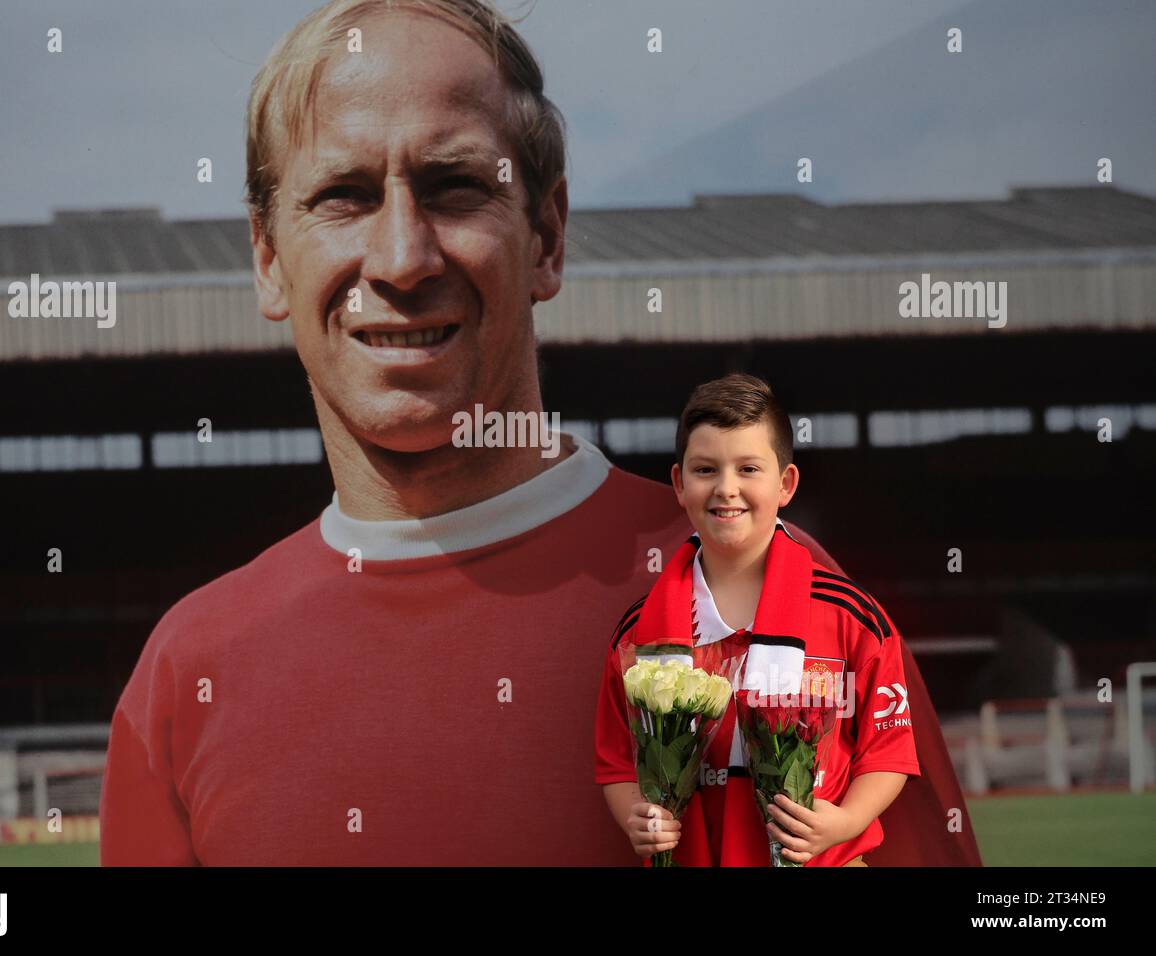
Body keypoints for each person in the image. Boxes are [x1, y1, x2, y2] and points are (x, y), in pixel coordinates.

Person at [100, 0, 978, 866]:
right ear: (267, 258)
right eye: (343, 196)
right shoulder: (186, 675)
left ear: (547, 236)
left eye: (455, 188)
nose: (402, 257)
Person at [596, 374, 925, 866]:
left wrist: (845, 822)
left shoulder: (853, 620)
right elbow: (618, 760)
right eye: (705, 469)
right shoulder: (638, 635)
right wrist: (636, 818)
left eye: (748, 468)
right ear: (679, 484)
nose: (726, 488)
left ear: (785, 483)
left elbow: (888, 752)